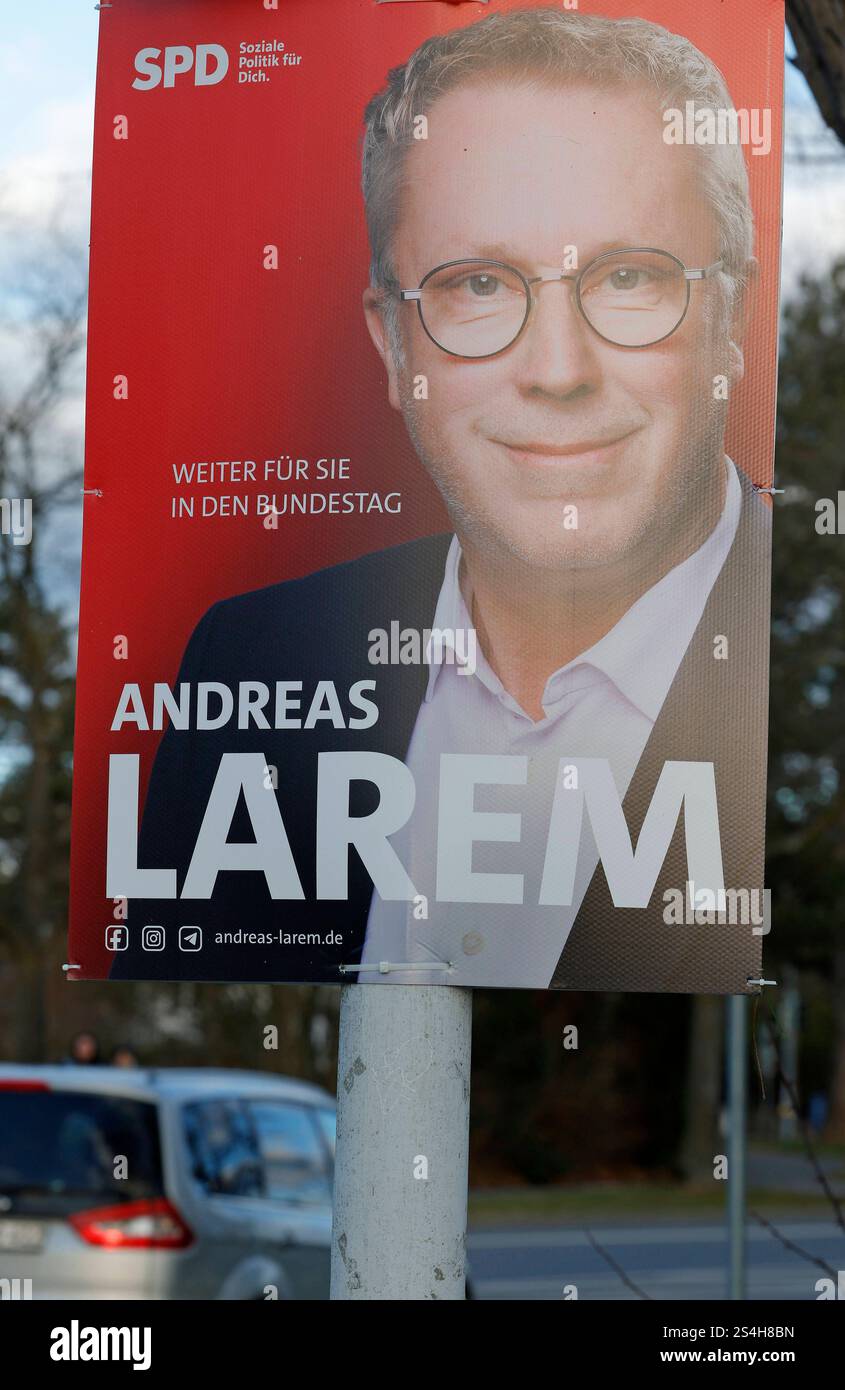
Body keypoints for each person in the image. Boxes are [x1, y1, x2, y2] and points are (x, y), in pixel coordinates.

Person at [115, 8, 770, 992]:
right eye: (476, 286)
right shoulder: (251, 660)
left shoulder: (806, 656)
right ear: (391, 343)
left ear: (730, 315)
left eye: (629, 276)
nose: (556, 370)